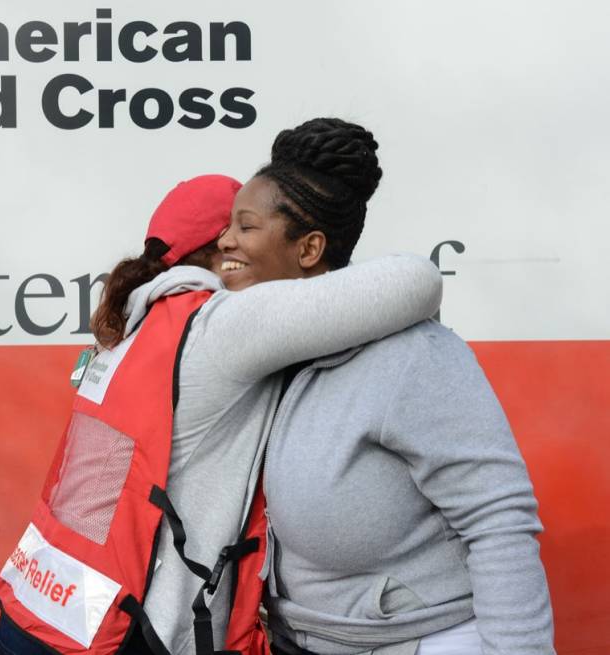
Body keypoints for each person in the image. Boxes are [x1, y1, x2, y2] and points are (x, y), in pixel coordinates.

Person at [0, 172, 442, 655]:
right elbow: (417, 282)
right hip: (126, 635)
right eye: (244, 231)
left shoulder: (133, 327)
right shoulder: (217, 323)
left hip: (40, 609)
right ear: (220, 249)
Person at [217, 118, 555, 654]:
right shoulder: (264, 357)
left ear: (308, 250)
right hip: (299, 640)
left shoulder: (411, 357)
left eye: (245, 226)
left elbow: (498, 520)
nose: (225, 241)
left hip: (422, 641)